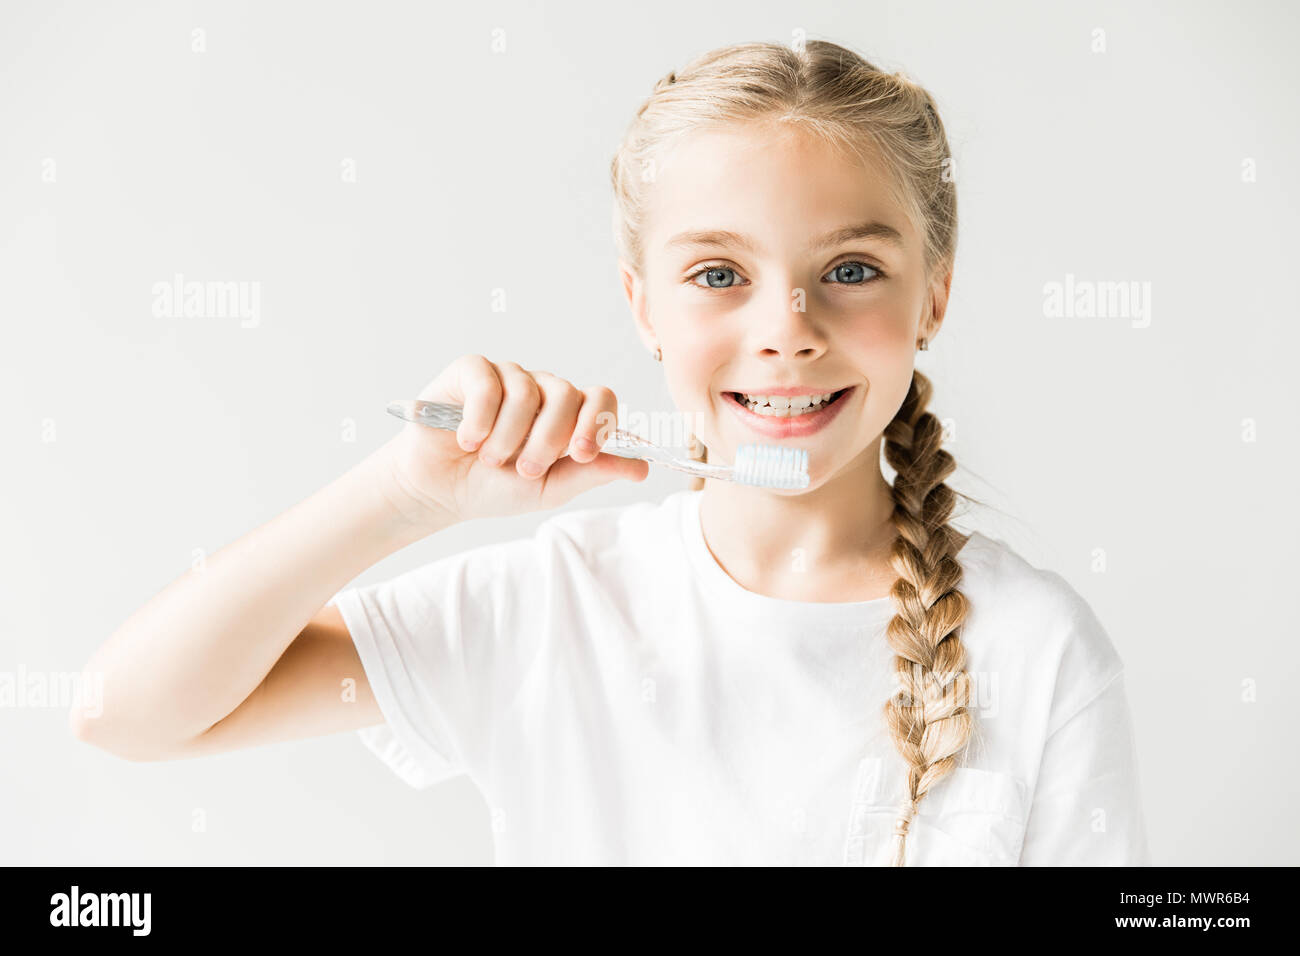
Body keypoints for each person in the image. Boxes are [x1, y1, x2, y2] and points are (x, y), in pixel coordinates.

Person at [70, 39, 1151, 866]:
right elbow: (129, 711)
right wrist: (401, 494)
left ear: (936, 294)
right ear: (643, 305)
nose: (786, 326)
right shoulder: (552, 608)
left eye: (851, 269)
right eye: (719, 275)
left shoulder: (1037, 649)